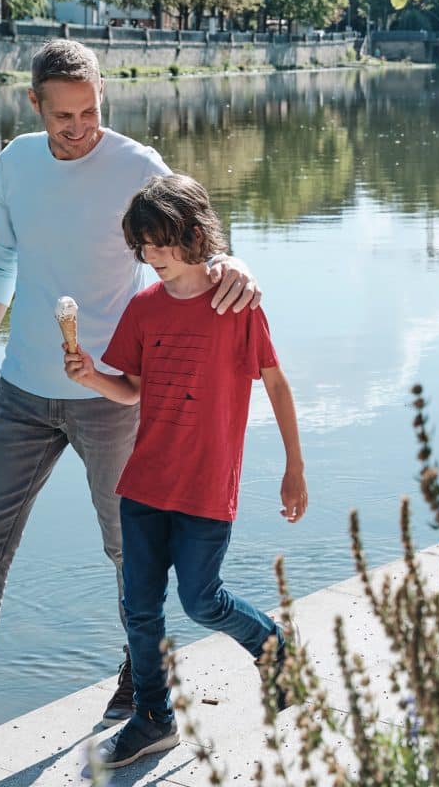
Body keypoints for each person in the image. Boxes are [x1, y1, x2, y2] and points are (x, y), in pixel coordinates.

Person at [0, 40, 260, 769]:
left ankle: (144, 681)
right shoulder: (16, 162)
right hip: (23, 390)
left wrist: (233, 264)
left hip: (112, 395)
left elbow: (197, 239)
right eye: (62, 116)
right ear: (34, 105)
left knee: (128, 550)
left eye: (89, 112)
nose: (78, 128)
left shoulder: (137, 165)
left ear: (102, 97)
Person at [64, 173, 307, 770]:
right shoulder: (143, 309)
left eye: (161, 242)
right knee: (140, 607)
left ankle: (274, 645)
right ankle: (153, 718)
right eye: (142, 245)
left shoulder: (238, 307)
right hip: (144, 484)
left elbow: (276, 384)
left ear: (195, 234)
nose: (152, 256)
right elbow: (133, 390)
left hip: (205, 487)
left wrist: (294, 467)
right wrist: (92, 377)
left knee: (201, 600)